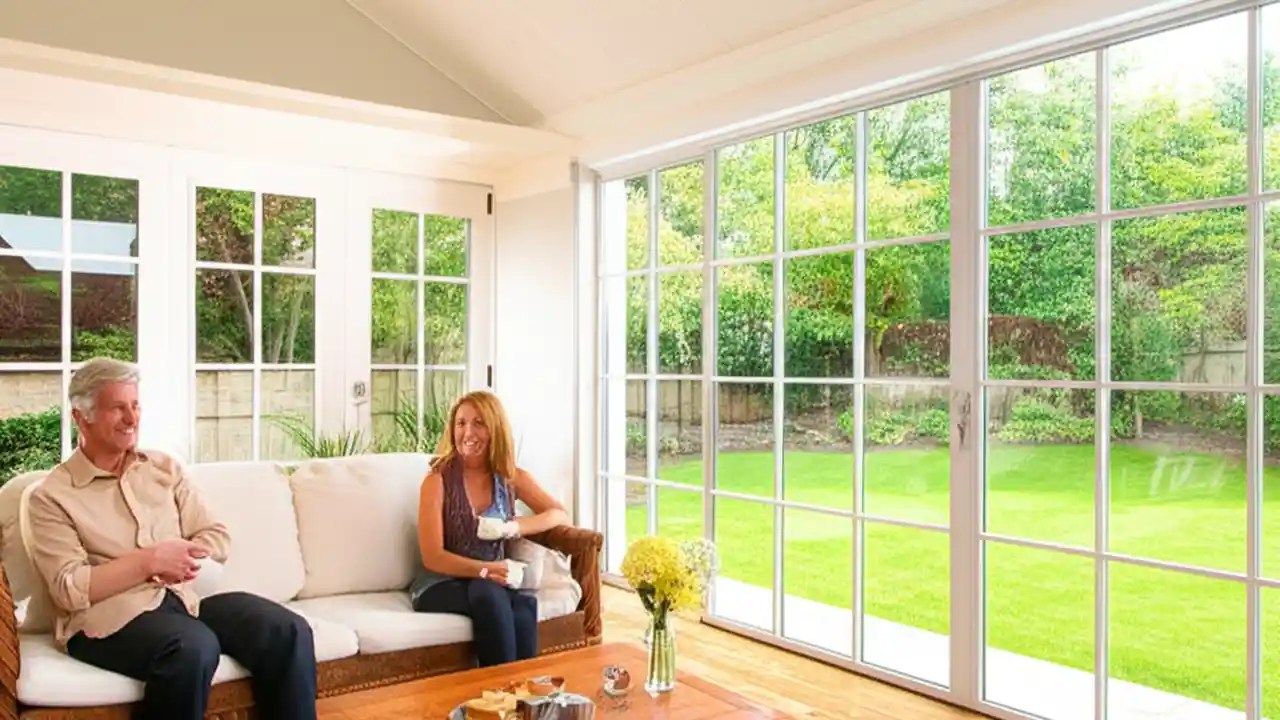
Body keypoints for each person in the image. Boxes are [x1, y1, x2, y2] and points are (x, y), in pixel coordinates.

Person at [24, 357, 317, 720]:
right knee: (192, 647)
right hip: (104, 622)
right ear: (82, 417)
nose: (132, 419)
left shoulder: (164, 467)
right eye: (117, 408)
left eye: (135, 406)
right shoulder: (51, 496)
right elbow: (68, 587)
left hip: (185, 602)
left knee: (287, 630)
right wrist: (150, 561)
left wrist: (183, 557)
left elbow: (216, 535)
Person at [411, 390, 569, 667]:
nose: (467, 432)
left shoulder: (510, 478)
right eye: (461, 423)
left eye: (478, 423)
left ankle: (524, 698)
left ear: (494, 428)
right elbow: (432, 557)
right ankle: (499, 696)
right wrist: (486, 570)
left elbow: (558, 513)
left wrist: (513, 527)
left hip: (491, 580)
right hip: (439, 584)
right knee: (489, 594)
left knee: (524, 606)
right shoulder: (436, 481)